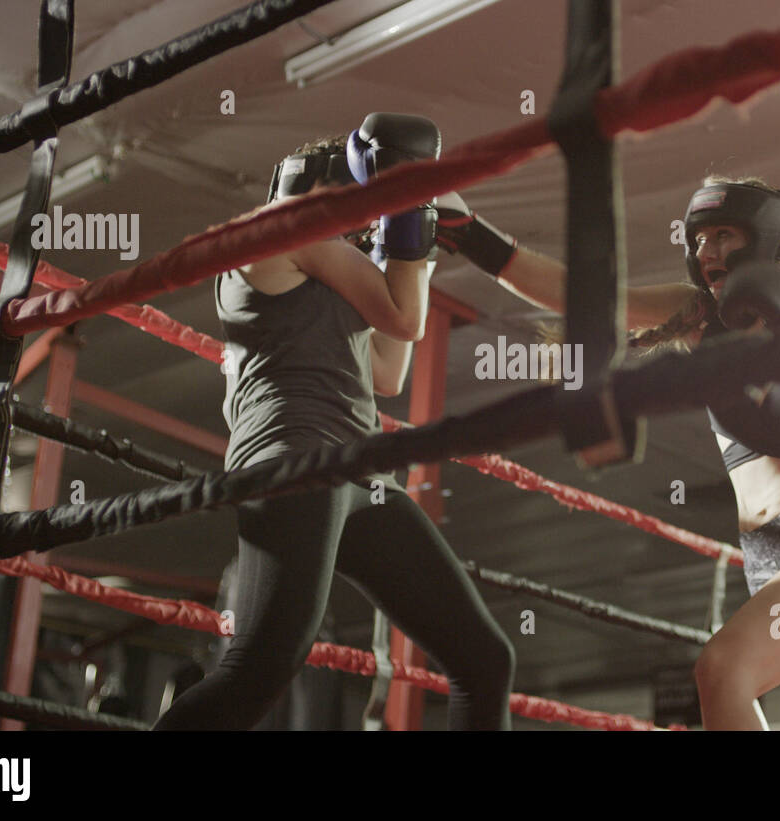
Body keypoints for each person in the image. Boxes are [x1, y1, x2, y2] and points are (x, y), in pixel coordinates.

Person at [434, 175, 780, 730]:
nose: (707, 250)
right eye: (700, 238)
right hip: (769, 564)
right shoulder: (696, 316)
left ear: (771, 240)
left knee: (721, 670)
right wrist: (471, 237)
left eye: (724, 235)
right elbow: (586, 297)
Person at [154, 113, 515, 730]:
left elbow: (387, 372)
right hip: (295, 458)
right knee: (262, 665)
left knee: (484, 659)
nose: (368, 221)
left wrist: (417, 247)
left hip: (360, 473)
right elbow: (405, 319)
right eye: (368, 201)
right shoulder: (278, 234)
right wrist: (407, 224)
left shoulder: (335, 269)